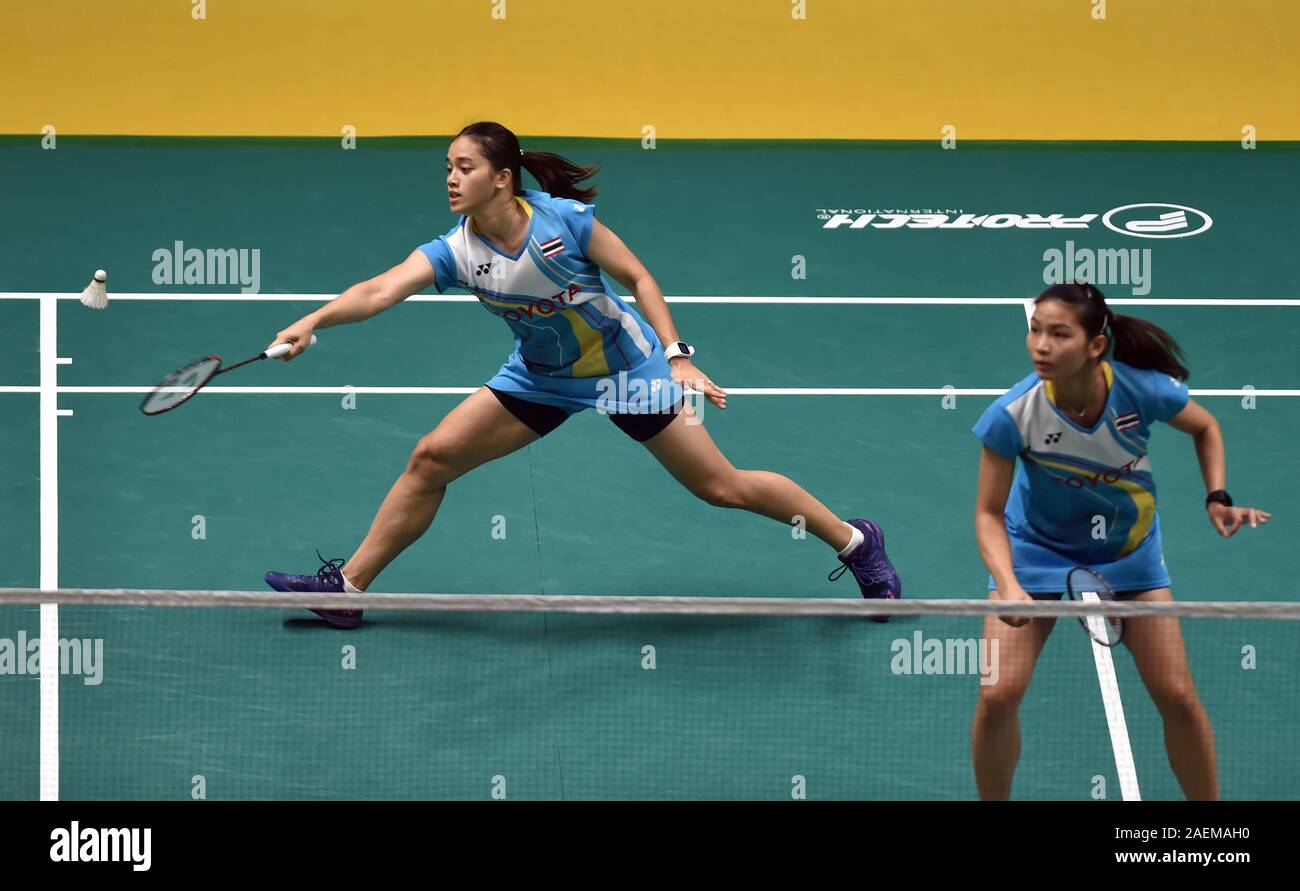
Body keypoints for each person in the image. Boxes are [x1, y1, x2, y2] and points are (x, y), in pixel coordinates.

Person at [263, 121, 901, 628]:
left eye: (465, 167)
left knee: (721, 487)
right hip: (540, 377)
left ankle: (854, 540)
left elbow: (639, 278)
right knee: (431, 458)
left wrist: (676, 356)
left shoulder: (563, 221)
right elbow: (378, 291)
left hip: (626, 369)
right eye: (447, 169)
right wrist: (313, 321)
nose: (451, 180)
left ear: (503, 178)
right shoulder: (457, 251)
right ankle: (348, 591)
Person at [970, 282, 1270, 800]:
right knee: (998, 695)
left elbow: (1206, 427)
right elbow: (987, 514)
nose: (1041, 346)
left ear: (1095, 346)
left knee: (1176, 694)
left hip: (1126, 549)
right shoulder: (1012, 415)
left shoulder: (1142, 390)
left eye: (1059, 334)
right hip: (1036, 548)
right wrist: (1007, 583)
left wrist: (1217, 497)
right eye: (1036, 331)